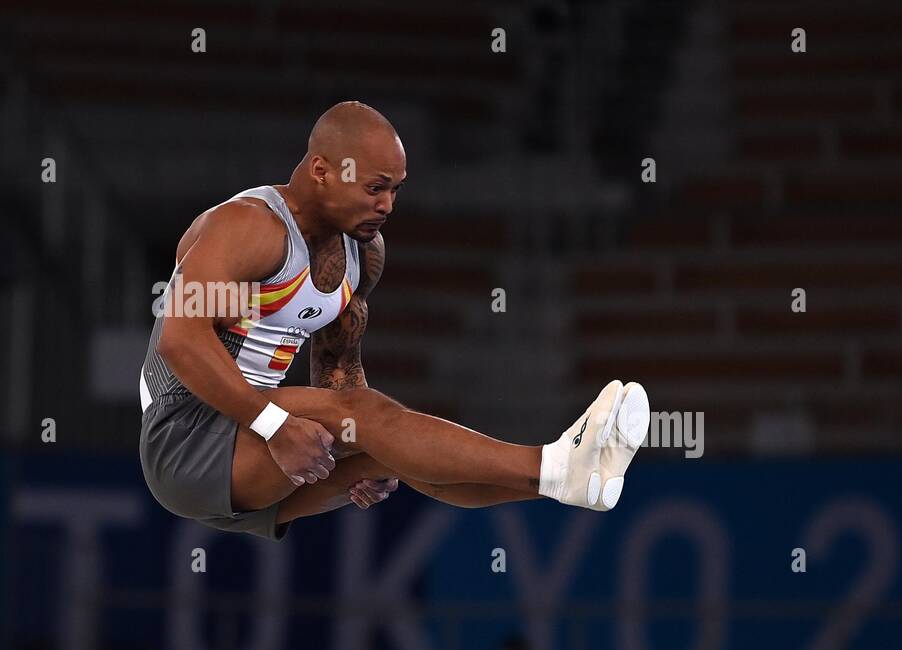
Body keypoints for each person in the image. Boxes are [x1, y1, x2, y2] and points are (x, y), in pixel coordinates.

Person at [138, 101, 649, 540]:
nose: (387, 205)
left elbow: (338, 368)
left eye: (396, 190)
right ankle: (553, 463)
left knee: (386, 450)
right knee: (365, 413)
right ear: (321, 172)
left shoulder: (363, 253)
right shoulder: (248, 226)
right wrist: (275, 426)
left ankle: (570, 484)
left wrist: (366, 441)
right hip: (184, 434)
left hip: (242, 444)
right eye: (375, 188)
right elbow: (180, 341)